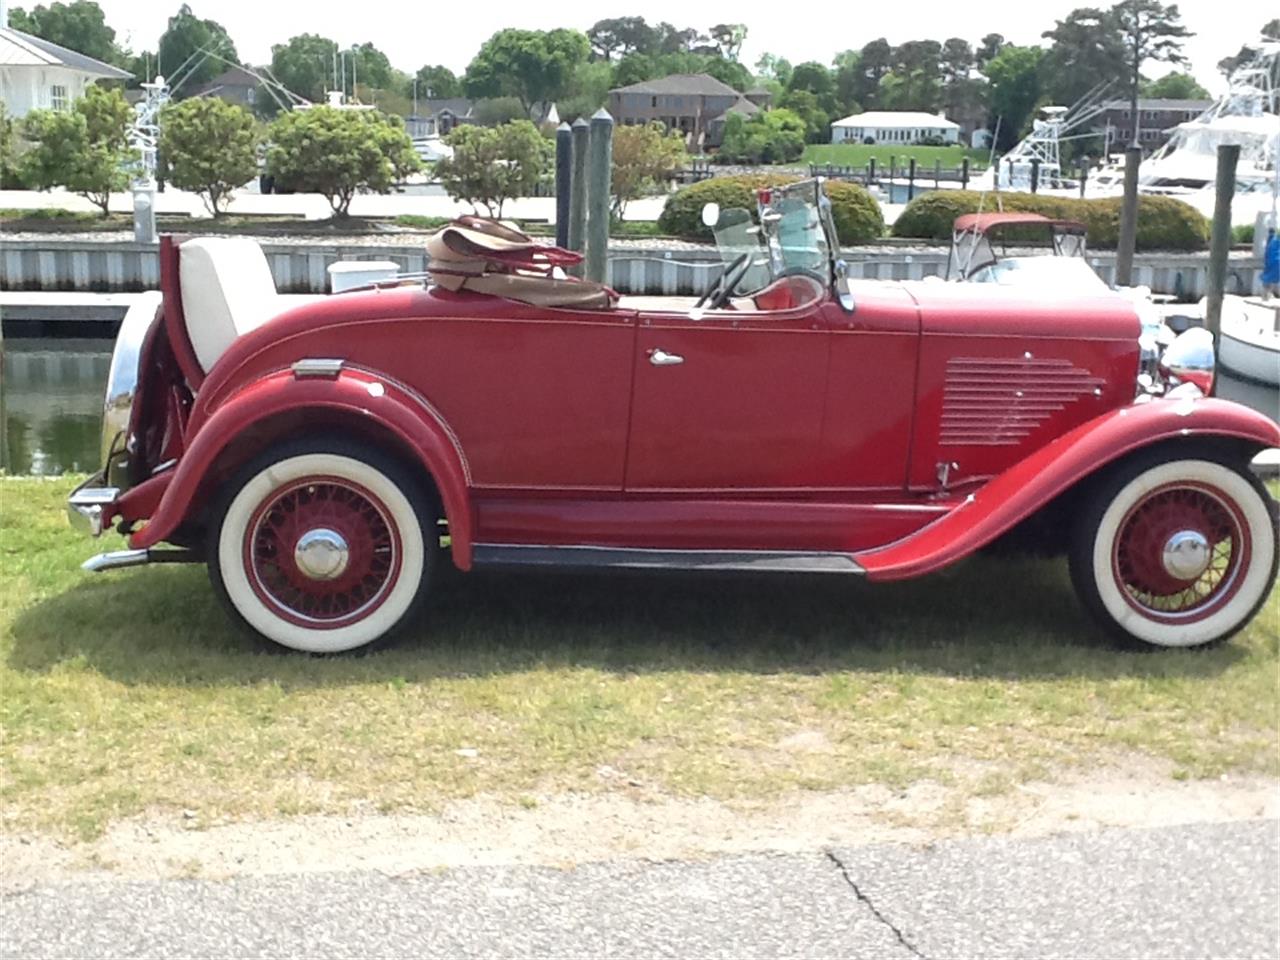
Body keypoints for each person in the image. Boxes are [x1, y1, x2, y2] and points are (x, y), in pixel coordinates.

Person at [1263, 227, 1280, 300]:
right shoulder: (1274, 239)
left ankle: (1265, 295)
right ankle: (1268, 295)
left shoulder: (1268, 240)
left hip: (1268, 262)